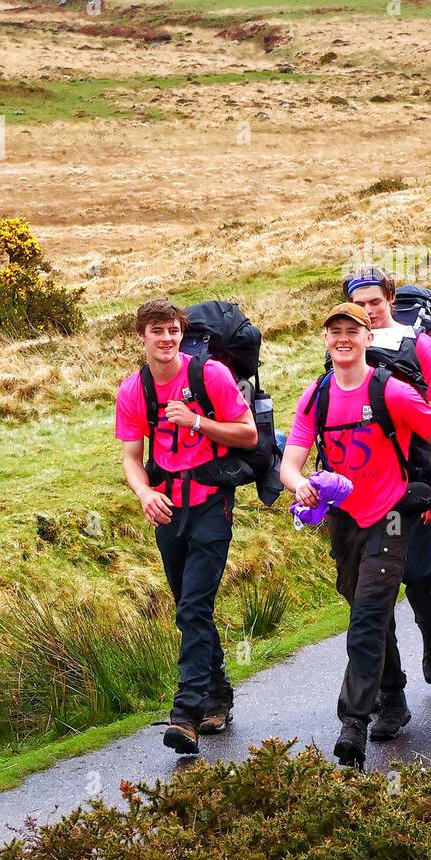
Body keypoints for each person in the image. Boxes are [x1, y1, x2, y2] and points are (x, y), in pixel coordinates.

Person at [281, 303, 431, 769]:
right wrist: (299, 484)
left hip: (390, 516)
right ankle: (392, 695)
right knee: (361, 602)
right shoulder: (317, 395)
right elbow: (290, 460)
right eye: (334, 332)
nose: (342, 338)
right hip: (344, 520)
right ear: (326, 341)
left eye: (352, 331)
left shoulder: (394, 391)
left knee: (368, 611)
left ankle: (353, 723)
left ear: (369, 338)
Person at [116, 299, 258, 755]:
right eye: (157, 331)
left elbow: (249, 434)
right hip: (167, 510)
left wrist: (196, 420)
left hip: (212, 505)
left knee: (194, 607)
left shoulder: (209, 375)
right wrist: (144, 494)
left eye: (173, 330)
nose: (166, 339)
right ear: (142, 337)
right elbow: (131, 460)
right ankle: (218, 696)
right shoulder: (133, 390)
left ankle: (187, 713)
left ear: (183, 334)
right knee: (189, 608)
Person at [343, 265, 431, 683]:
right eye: (359, 304)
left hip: (417, 484)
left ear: (391, 299)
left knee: (417, 575)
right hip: (366, 491)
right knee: (372, 591)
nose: (368, 310)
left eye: (375, 301)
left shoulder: (420, 345)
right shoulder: (347, 347)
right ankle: (388, 689)